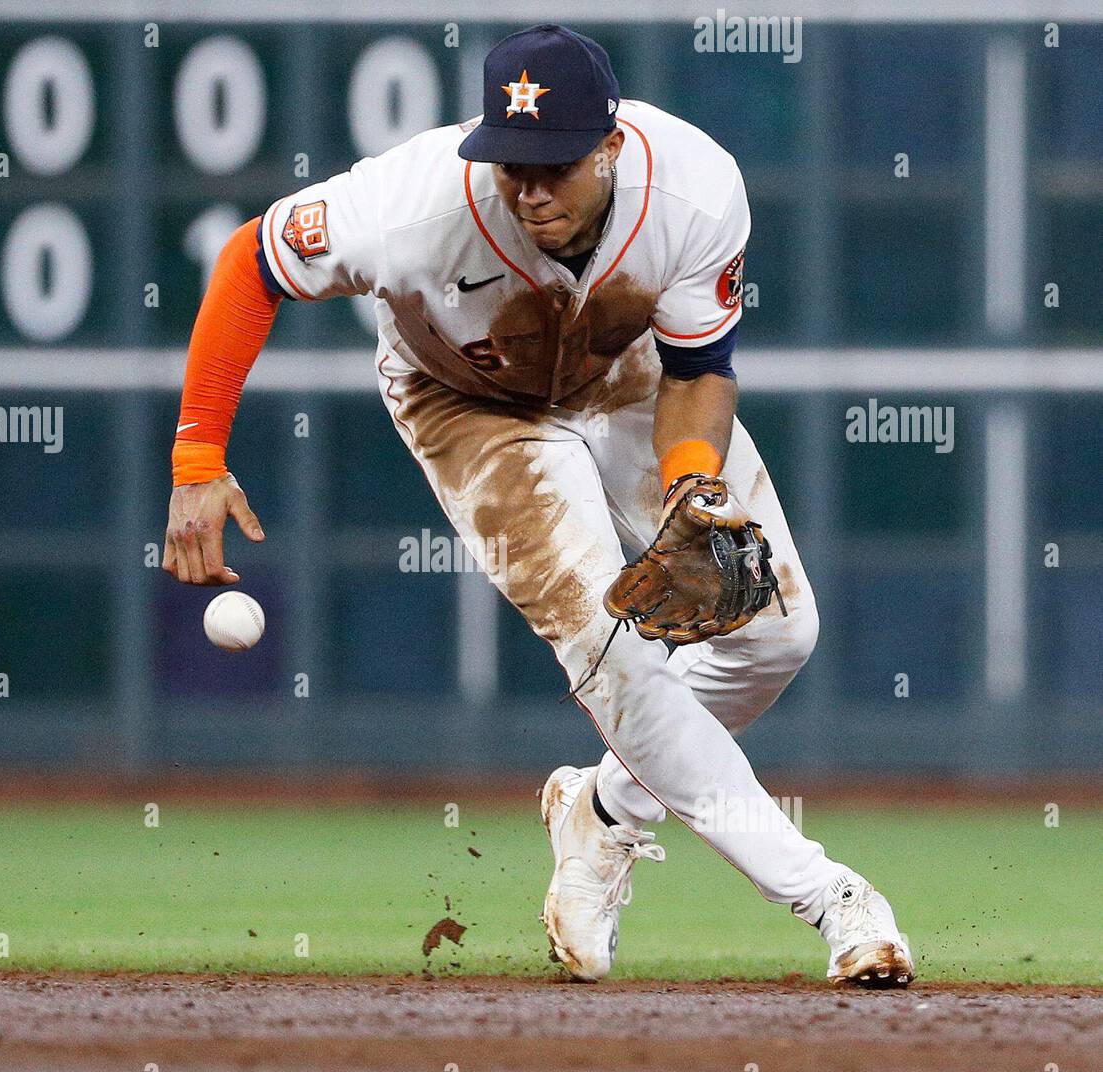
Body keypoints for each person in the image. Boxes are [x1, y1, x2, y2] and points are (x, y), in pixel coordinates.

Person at [163, 24, 914, 988]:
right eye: (513, 163)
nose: (530, 189)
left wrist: (692, 481)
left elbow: (697, 368)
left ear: (610, 145)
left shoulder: (691, 189)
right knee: (615, 656)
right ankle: (835, 902)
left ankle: (602, 812)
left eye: (555, 165)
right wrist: (196, 456)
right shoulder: (413, 202)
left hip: (625, 376)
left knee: (777, 635)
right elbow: (248, 261)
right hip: (468, 402)